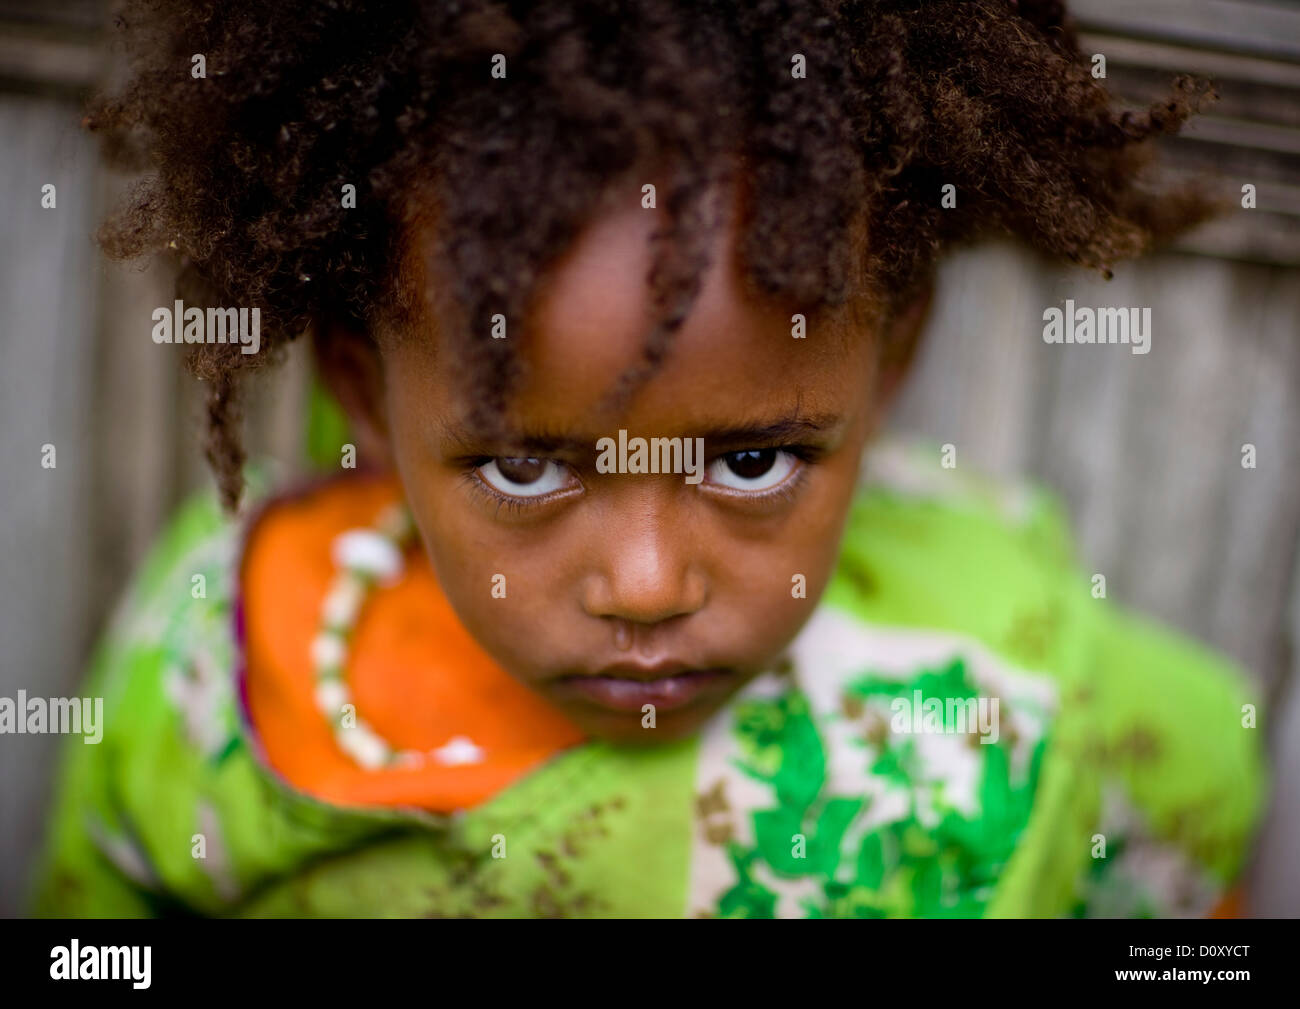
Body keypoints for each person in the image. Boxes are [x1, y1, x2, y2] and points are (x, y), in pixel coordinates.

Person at [32, 0, 1265, 917]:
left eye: (751, 465)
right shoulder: (218, 668)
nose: (645, 585)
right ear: (362, 386)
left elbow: (1209, 817)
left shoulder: (1002, 666)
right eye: (525, 470)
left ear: (890, 359)